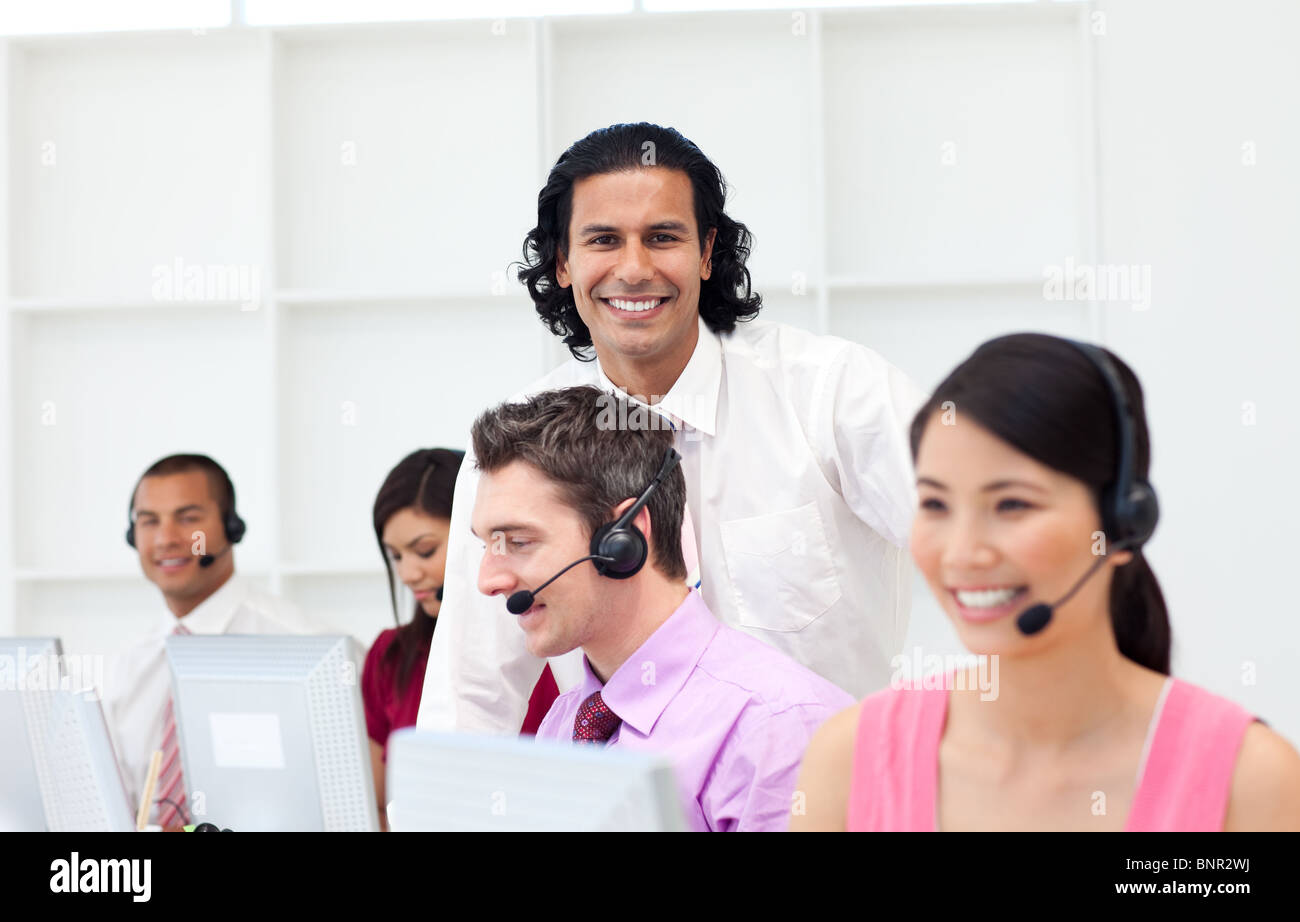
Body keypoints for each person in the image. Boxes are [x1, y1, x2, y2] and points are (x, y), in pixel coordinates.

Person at [418, 121, 923, 734]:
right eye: (603, 239)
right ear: (563, 263)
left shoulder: (833, 390)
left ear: (708, 253)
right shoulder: (516, 446)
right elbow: (470, 693)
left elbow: (987, 554)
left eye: (662, 237)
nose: (633, 269)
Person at [791, 334, 1300, 831]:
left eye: (1012, 505)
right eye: (935, 504)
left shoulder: (1249, 781)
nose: (964, 552)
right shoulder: (850, 761)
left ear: (1123, 521)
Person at [468, 386, 854, 831]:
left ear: (623, 537)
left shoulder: (777, 728)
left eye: (518, 542)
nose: (487, 581)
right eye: (487, 546)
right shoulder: (566, 720)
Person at [104, 453, 321, 829]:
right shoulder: (125, 666)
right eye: (148, 521)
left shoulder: (305, 650)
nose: (166, 539)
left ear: (231, 527)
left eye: (188, 519)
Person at [361, 448, 557, 828]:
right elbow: (374, 806)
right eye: (396, 556)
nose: (409, 574)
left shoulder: (541, 648)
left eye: (424, 550)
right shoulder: (389, 655)